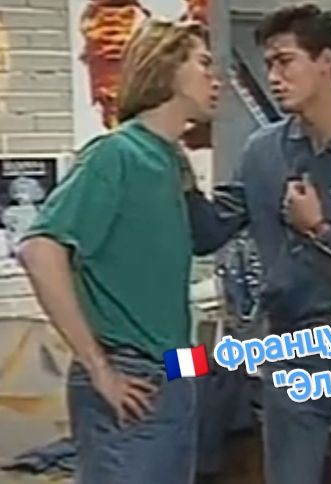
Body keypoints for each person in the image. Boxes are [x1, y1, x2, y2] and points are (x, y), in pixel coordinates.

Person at [183, 4, 331, 483]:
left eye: (285, 61)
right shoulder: (262, 152)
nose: (273, 76)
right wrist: (176, 169)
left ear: (326, 61)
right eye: (268, 64)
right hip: (288, 346)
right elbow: (207, 233)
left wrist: (320, 230)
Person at [17, 19, 219, 484]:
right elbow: (39, 250)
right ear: (168, 69)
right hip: (130, 376)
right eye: (204, 64)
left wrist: (199, 372)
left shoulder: (169, 161)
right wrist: (100, 370)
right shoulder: (117, 155)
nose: (217, 79)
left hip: (171, 374)